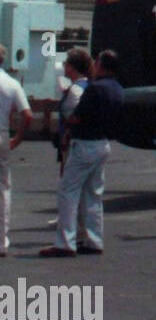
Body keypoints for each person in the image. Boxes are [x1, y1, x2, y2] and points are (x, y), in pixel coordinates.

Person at [41, 49, 124, 258]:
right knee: (94, 194)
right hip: (103, 142)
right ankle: (94, 239)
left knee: (68, 191)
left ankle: (65, 242)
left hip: (85, 143)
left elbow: (76, 116)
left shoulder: (95, 89)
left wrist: (67, 122)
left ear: (102, 66)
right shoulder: (117, 89)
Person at [55, 47, 93, 249]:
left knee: (69, 188)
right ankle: (87, 233)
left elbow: (71, 112)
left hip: (74, 141)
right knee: (89, 191)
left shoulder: (76, 90)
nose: (64, 67)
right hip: (90, 141)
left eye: (66, 64)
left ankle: (69, 235)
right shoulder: (89, 85)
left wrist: (68, 132)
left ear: (72, 67)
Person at [0, 44, 33, 257]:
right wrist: (18, 138)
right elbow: (27, 115)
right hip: (1, 134)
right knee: (3, 188)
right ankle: (1, 241)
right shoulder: (11, 84)